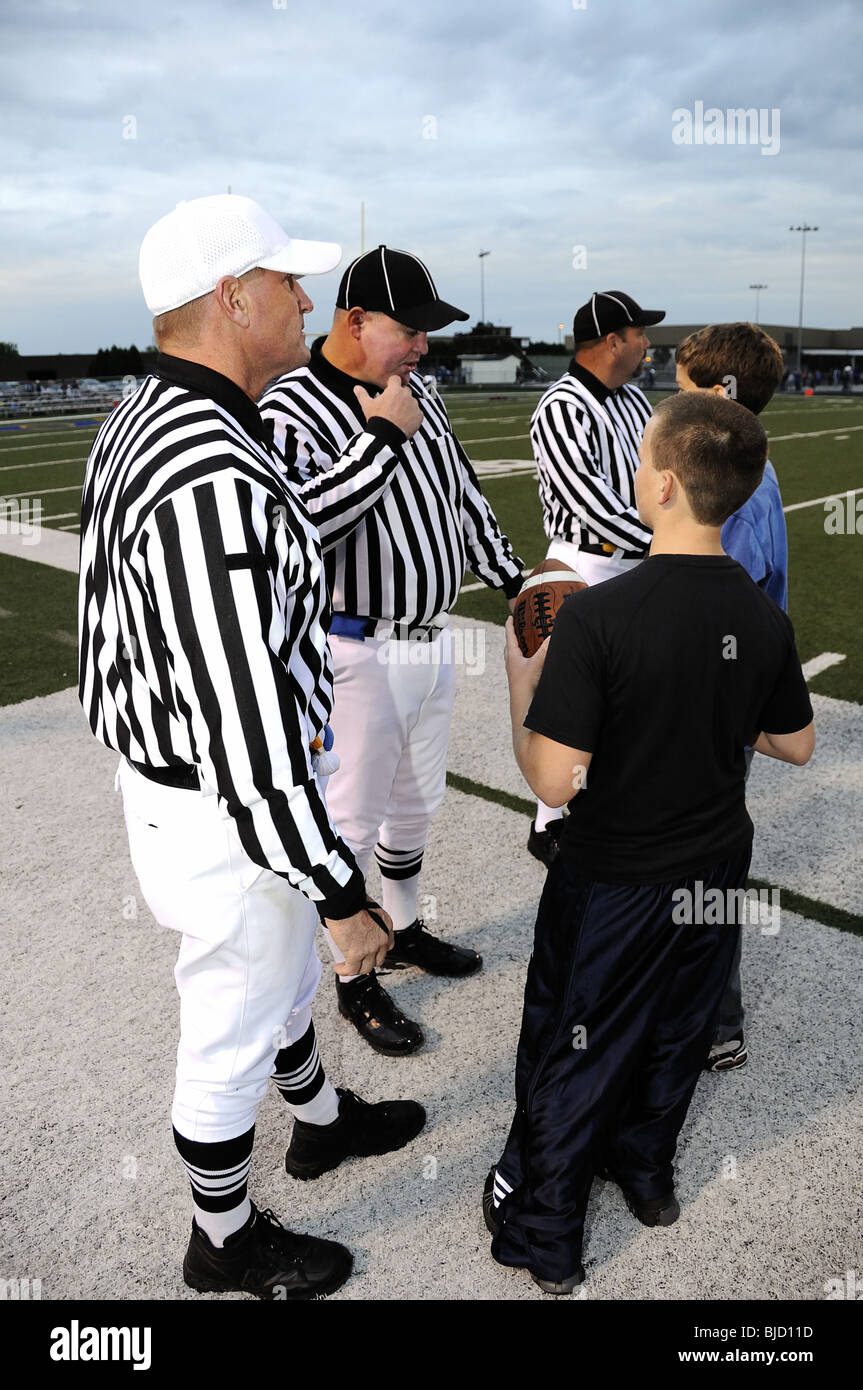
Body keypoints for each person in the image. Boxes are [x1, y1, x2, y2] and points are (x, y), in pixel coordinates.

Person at [77, 195, 427, 1302]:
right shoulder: (209, 466)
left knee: (271, 989)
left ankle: (319, 1121)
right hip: (221, 801)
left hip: (190, 783)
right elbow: (244, 726)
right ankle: (221, 1241)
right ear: (232, 297)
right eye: (287, 282)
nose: (308, 299)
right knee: (230, 1022)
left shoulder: (159, 411)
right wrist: (339, 890)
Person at [483, 390, 814, 1295]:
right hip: (715, 861)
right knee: (676, 1027)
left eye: (636, 464)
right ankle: (645, 1172)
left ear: (663, 485)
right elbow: (794, 742)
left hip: (615, 874)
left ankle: (544, 1231)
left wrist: (522, 684)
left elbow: (554, 780)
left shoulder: (598, 614)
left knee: (576, 1040)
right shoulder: (760, 615)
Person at [260, 246, 525, 1056]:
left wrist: (516, 582)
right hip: (354, 651)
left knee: (414, 806)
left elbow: (461, 494)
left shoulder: (420, 393)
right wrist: (377, 439)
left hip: (429, 637)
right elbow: (297, 532)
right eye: (409, 330)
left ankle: (404, 929)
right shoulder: (287, 409)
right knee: (347, 822)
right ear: (355, 321)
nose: (420, 346)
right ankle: (353, 975)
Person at [675, 321, 787, 1072]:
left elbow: (722, 606)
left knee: (695, 868)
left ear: (718, 397)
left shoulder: (731, 491)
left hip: (708, 705)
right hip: (729, 699)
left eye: (680, 392)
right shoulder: (755, 465)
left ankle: (714, 1019)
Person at [526, 290, 665, 867]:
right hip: (586, 562)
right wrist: (666, 539)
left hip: (637, 561)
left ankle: (608, 798)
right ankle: (549, 821)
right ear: (613, 340)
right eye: (639, 334)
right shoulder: (560, 406)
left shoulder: (636, 402)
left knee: (629, 695)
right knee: (573, 698)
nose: (647, 344)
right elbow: (591, 505)